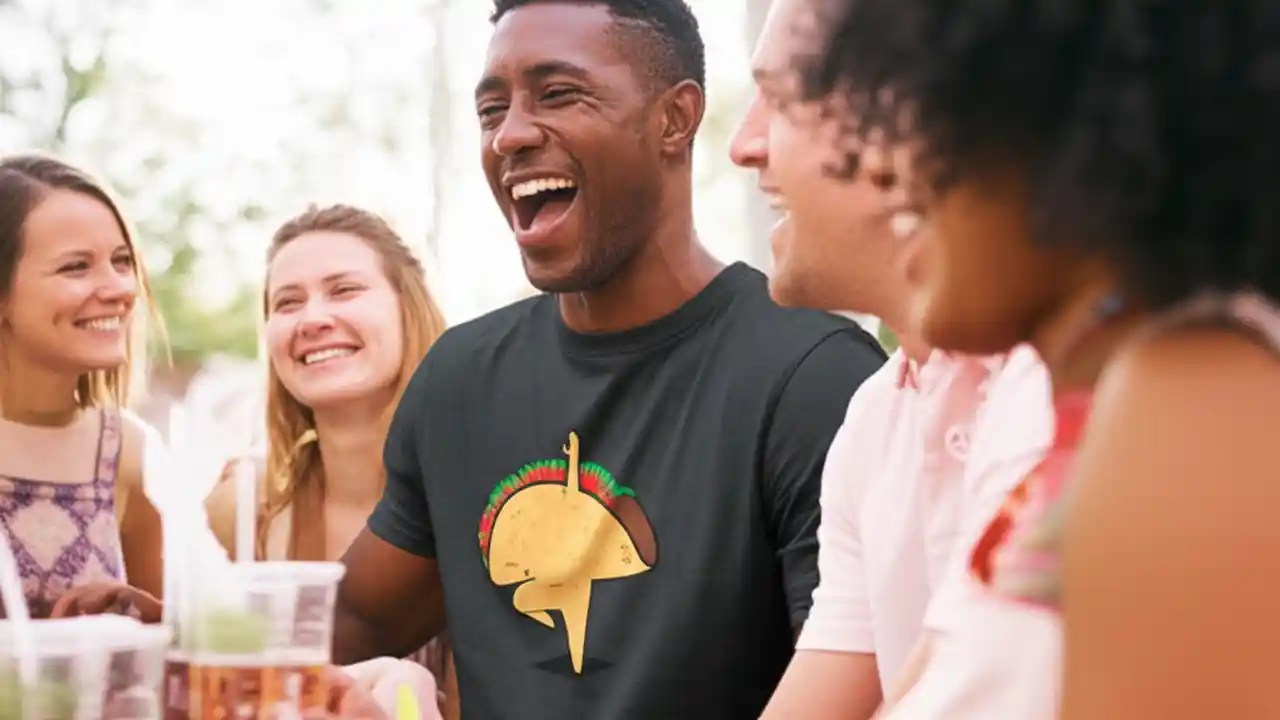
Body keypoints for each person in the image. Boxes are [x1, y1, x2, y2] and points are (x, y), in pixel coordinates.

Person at [331, 1, 885, 718]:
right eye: (492, 109)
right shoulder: (460, 379)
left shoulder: (813, 377)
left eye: (557, 94)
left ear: (675, 120)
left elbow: (863, 679)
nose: (512, 135)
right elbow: (355, 622)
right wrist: (170, 627)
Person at [802, 1, 1280, 717]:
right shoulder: (1141, 406)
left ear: (1080, 130)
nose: (879, 161)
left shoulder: (1193, 392)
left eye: (940, 104)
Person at [728, 1, 1055, 717]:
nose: (744, 145)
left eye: (779, 99)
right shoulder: (876, 421)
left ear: (913, 116)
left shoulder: (1062, 385)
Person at [203, 204, 452, 718]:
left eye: (344, 290)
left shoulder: (479, 494)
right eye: (287, 302)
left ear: (409, 307)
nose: (313, 319)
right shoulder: (242, 507)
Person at [0, 153, 165, 620]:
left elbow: (167, 650)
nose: (118, 288)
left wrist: (141, 613)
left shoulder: (130, 453)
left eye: (121, 262)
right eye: (76, 267)